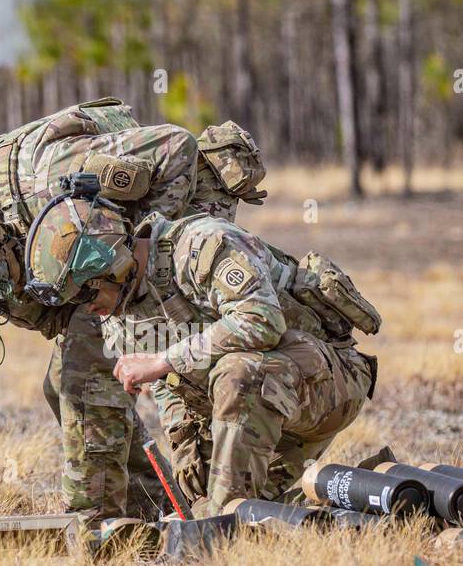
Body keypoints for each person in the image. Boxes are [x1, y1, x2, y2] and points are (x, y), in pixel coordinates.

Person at [0, 99, 266, 523]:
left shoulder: (48, 175)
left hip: (185, 216)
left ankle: (98, 520)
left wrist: (139, 248)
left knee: (82, 379)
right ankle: (152, 503)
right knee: (61, 384)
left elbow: (177, 147)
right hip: (92, 262)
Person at [49, 198, 378, 515]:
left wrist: (164, 360)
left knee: (239, 374)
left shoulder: (203, 245)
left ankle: (223, 531)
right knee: (211, 502)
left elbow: (262, 320)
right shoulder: (123, 310)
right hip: (256, 408)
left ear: (116, 265)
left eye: (88, 292)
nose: (88, 307)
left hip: (327, 383)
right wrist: (190, 462)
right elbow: (169, 388)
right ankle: (371, 491)